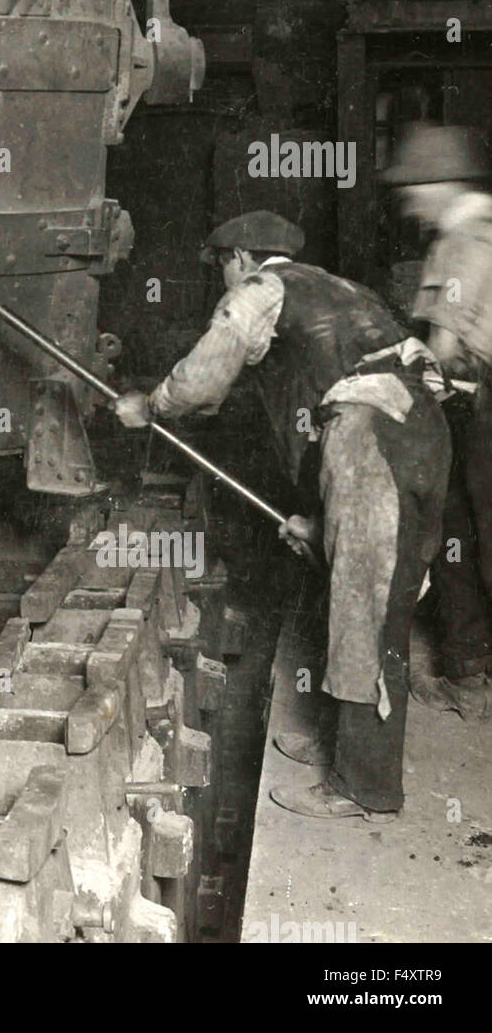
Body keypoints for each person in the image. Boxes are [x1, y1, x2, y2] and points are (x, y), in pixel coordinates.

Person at [114, 210, 450, 819]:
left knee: (365, 608)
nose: (223, 278)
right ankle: (339, 744)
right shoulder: (338, 286)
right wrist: (320, 522)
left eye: (222, 264)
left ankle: (364, 785)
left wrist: (152, 405)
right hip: (419, 433)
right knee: (376, 590)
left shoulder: (259, 290)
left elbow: (204, 376)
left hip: (372, 440)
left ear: (240, 258)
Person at [383, 122, 492, 717]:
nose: (409, 201)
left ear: (440, 184)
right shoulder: (486, 229)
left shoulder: (457, 243)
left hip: (475, 408)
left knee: (450, 532)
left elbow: (444, 353)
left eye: (414, 189)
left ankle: (466, 676)